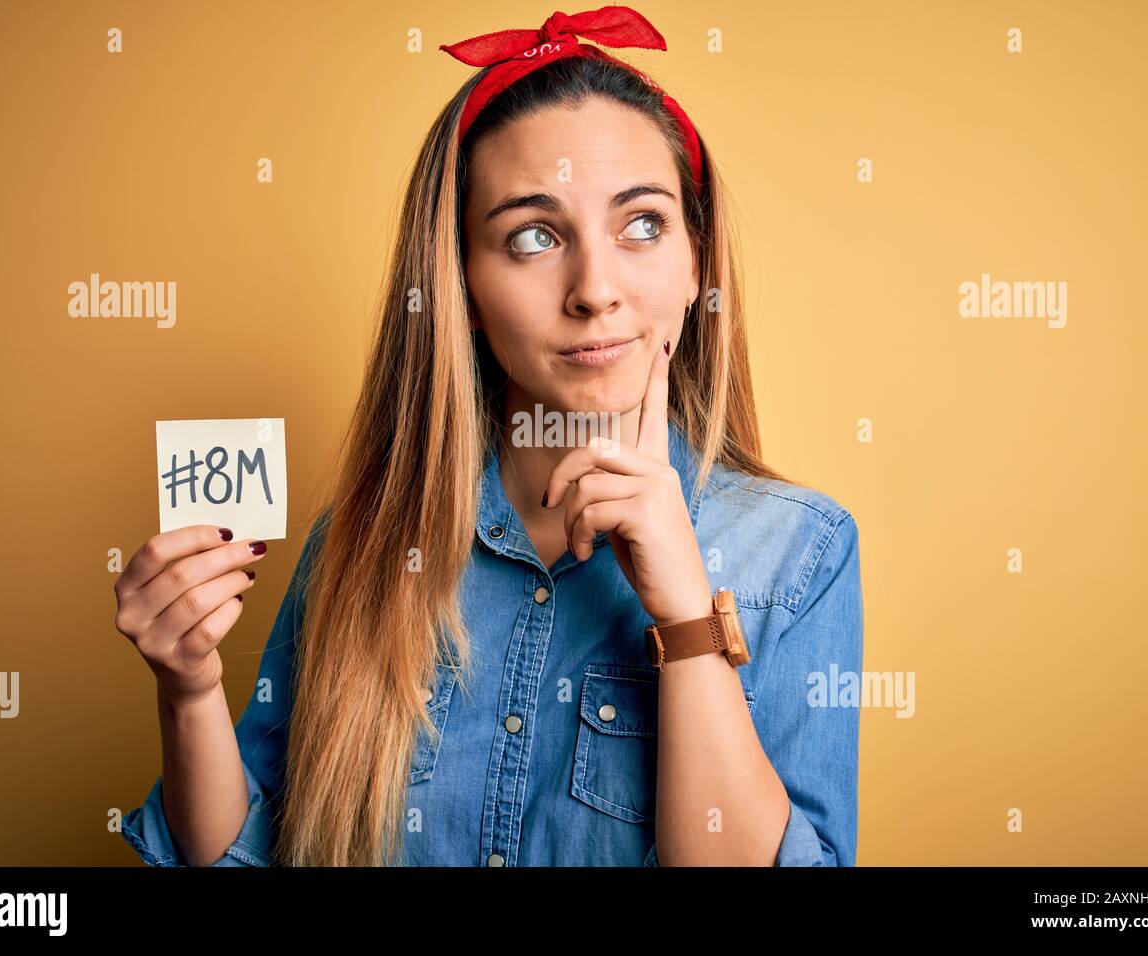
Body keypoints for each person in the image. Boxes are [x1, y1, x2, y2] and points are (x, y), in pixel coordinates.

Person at [114, 5, 864, 867]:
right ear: (461, 286)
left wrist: (689, 621)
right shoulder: (361, 546)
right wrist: (188, 689)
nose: (595, 289)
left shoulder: (799, 552)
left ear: (697, 261)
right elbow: (245, 854)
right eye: (533, 237)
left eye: (643, 224)